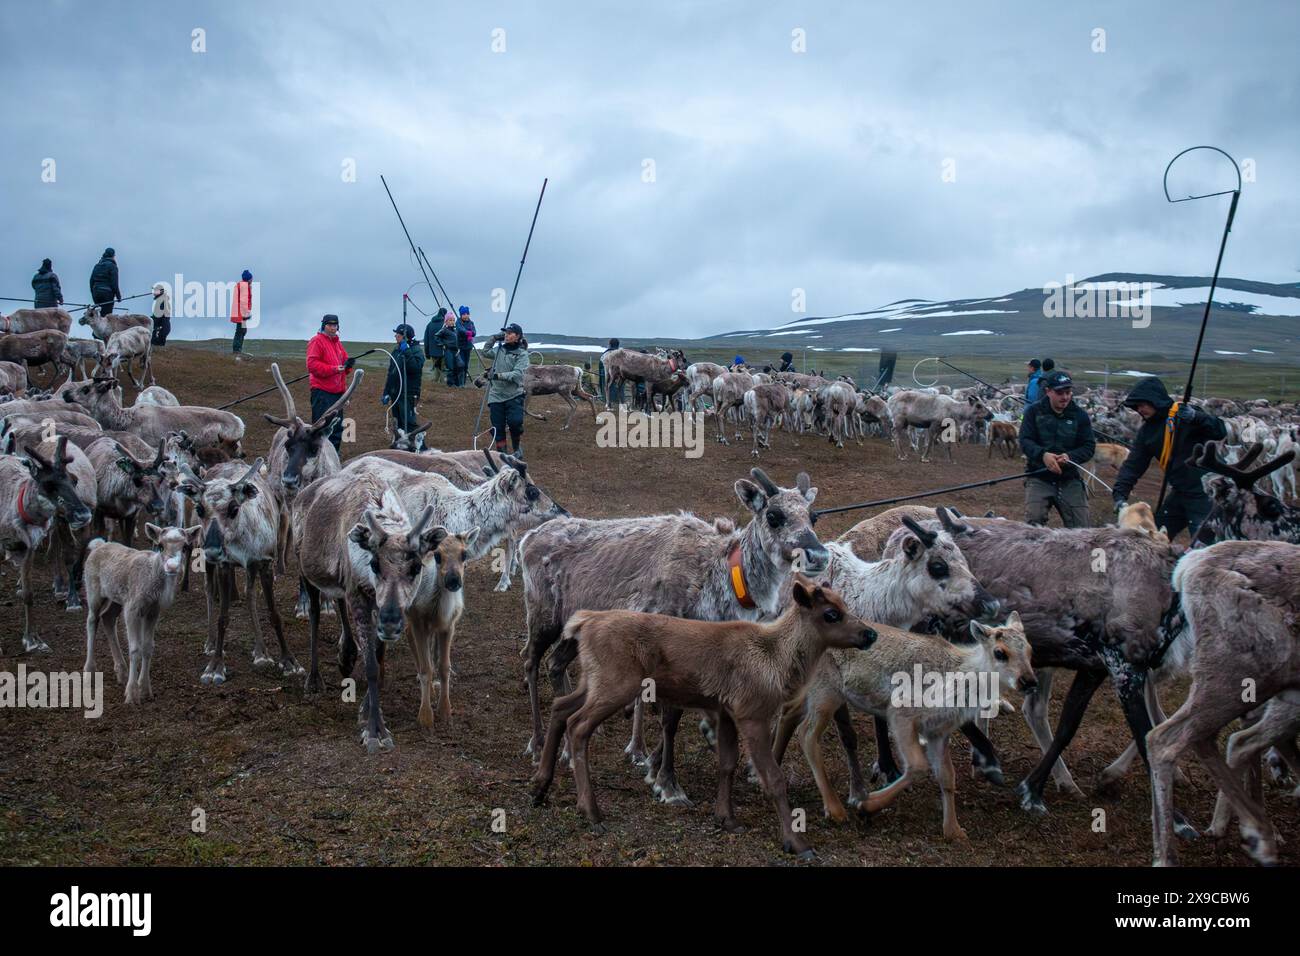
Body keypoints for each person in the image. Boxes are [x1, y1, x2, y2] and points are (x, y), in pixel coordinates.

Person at [1111, 376, 1228, 541]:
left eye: (1143, 404)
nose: (1139, 409)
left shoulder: (1185, 415)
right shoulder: (1147, 432)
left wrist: (1197, 417)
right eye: (1137, 406)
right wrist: (1120, 495)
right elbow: (1133, 465)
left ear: (1155, 400)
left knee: (1204, 545)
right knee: (1153, 538)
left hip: (1206, 492)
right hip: (1180, 491)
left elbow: (1220, 431)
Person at [1018, 370, 1095, 528]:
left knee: (1082, 529)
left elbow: (1088, 446)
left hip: (1070, 479)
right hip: (1039, 476)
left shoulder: (1080, 416)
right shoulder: (1033, 412)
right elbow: (1025, 441)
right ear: (1048, 391)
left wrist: (1070, 457)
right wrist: (1042, 455)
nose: (1065, 397)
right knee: (1033, 524)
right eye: (1059, 392)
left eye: (1068, 392)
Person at [480, 322, 530, 457]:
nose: (506, 336)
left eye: (509, 333)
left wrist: (496, 375)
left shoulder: (522, 354)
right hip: (496, 395)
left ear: (517, 336)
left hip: (514, 394)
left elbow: (517, 374)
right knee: (497, 427)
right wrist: (494, 338)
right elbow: (484, 352)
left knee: (515, 422)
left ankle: (517, 447)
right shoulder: (498, 350)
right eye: (505, 333)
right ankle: (502, 456)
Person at [306, 314, 353, 451]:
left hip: (338, 394)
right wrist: (333, 369)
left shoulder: (337, 343)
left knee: (337, 429)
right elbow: (312, 365)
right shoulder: (317, 341)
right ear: (324, 325)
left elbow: (344, 363)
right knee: (322, 429)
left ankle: (333, 458)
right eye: (330, 325)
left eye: (335, 325)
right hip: (322, 393)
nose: (333, 328)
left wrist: (348, 365)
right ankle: (319, 459)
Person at [382, 323, 424, 441]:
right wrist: (387, 392)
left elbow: (415, 368)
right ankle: (401, 445)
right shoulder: (396, 351)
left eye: (398, 334)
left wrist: (407, 352)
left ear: (405, 337)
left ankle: (420, 447)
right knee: (398, 422)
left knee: (409, 423)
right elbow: (391, 373)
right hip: (396, 393)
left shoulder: (416, 351)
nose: (395, 336)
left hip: (408, 393)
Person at [89, 247, 121, 316]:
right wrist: (118, 296)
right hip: (107, 294)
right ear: (113, 256)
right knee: (107, 317)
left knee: (98, 315)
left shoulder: (97, 266)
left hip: (96, 292)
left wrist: (93, 292)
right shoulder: (113, 266)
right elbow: (114, 283)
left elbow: (91, 281)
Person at [230, 269, 253, 360]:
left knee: (242, 330)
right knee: (240, 331)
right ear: (248, 279)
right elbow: (243, 301)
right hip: (241, 313)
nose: (252, 280)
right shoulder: (244, 286)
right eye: (251, 278)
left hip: (239, 312)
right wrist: (246, 312)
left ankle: (238, 349)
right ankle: (236, 350)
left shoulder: (242, 285)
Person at [436, 310, 461, 386]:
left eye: (453, 320)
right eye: (450, 320)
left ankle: (457, 383)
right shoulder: (444, 330)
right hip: (448, 350)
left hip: (456, 351)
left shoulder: (455, 331)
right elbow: (436, 336)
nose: (452, 322)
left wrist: (459, 348)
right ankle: (450, 383)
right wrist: (442, 344)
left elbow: (457, 340)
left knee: (458, 367)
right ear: (446, 321)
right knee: (450, 367)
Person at [424, 307, 448, 384]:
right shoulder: (445, 325)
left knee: (436, 370)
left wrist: (427, 353)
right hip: (444, 351)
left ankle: (435, 386)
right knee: (443, 370)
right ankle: (442, 387)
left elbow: (426, 340)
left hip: (433, 352)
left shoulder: (429, 325)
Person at [599, 337, 624, 405]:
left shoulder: (605, 355)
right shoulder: (621, 355)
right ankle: (620, 401)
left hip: (606, 375)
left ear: (610, 344)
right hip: (620, 376)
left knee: (607, 386)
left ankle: (608, 401)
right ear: (618, 345)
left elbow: (601, 366)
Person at [455, 306, 476, 386]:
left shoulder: (471, 323)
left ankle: (463, 383)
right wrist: (469, 333)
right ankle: (459, 383)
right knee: (461, 365)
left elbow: (474, 332)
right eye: (464, 314)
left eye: (467, 314)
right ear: (461, 315)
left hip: (468, 347)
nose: (466, 315)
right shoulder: (458, 322)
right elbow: (460, 330)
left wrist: (470, 333)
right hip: (460, 347)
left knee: (466, 365)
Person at [150, 283, 172, 347]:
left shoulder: (162, 301)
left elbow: (160, 317)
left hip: (160, 331)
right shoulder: (160, 300)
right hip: (160, 329)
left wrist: (151, 321)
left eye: (155, 290)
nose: (154, 292)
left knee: (156, 344)